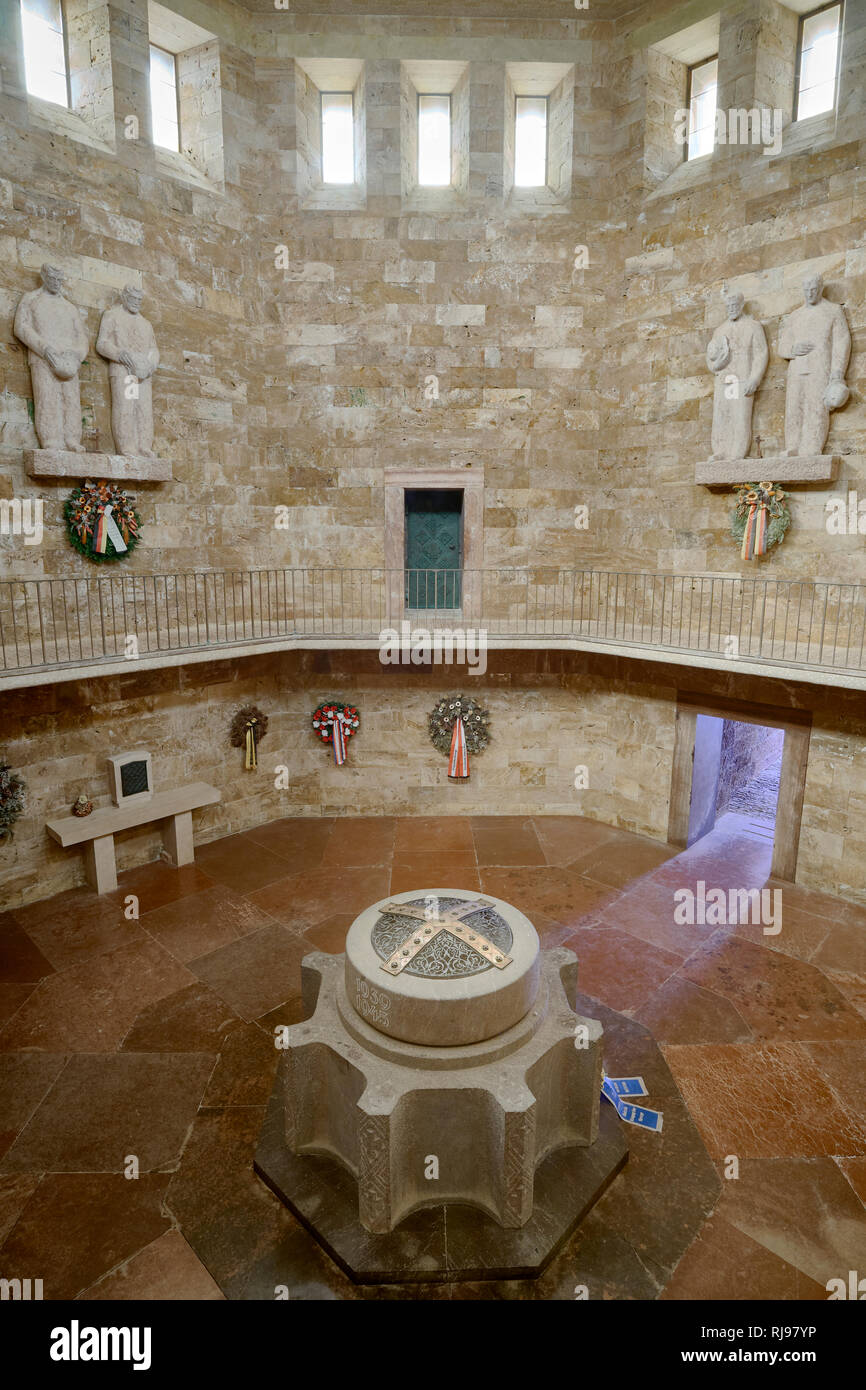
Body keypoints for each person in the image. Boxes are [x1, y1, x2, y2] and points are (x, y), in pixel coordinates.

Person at [14, 264, 89, 452]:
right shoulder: (31, 300)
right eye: (53, 279)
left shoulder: (69, 308)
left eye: (59, 279)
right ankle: (51, 439)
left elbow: (82, 338)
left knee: (71, 400)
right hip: (43, 357)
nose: (56, 283)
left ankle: (72, 439)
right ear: (44, 277)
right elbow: (21, 327)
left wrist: (77, 356)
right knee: (47, 398)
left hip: (69, 360)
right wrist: (44, 348)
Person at [778, 273, 851, 456]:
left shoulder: (833, 311)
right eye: (806, 290)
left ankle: (811, 447)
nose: (810, 294)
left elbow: (842, 343)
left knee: (816, 407)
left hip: (820, 366)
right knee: (793, 406)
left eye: (813, 290)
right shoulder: (795, 315)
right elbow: (783, 345)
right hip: (797, 367)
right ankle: (792, 445)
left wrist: (837, 374)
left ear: (820, 289)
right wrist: (793, 349)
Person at [96, 284, 160, 457]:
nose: (136, 303)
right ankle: (127, 447)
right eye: (133, 299)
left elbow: (154, 349)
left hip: (144, 372)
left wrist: (151, 364)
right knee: (126, 407)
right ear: (124, 297)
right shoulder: (113, 316)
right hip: (125, 370)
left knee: (144, 410)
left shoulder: (145, 323)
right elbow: (102, 343)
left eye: (139, 300)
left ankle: (144, 446)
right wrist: (119, 354)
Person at [706, 289, 768, 461]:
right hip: (725, 379)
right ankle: (720, 450)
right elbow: (711, 356)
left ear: (741, 305)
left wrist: (755, 379)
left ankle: (737, 452)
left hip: (742, 379)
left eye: (735, 305)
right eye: (729, 306)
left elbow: (761, 354)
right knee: (722, 415)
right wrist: (714, 366)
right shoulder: (720, 330)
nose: (732, 309)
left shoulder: (753, 326)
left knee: (740, 416)